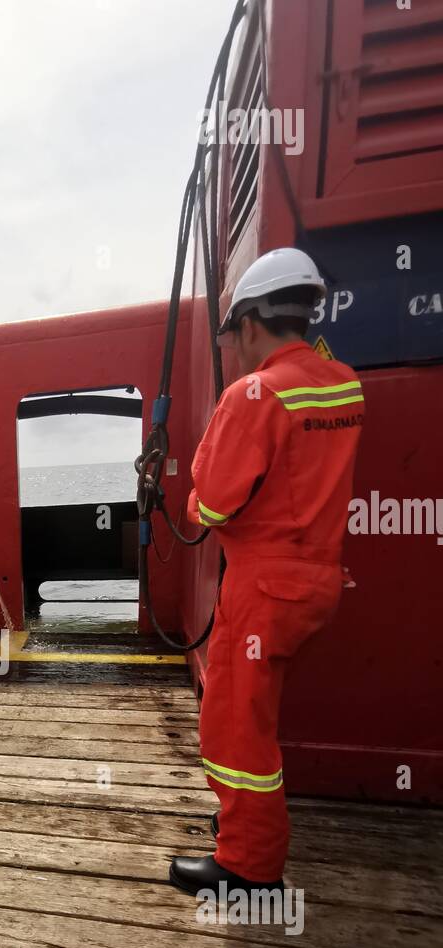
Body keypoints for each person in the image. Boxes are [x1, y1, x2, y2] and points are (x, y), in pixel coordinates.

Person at [169, 248, 365, 895]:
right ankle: (241, 821)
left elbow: (213, 503)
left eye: (234, 335)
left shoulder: (253, 395)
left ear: (250, 323)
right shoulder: (343, 384)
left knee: (232, 725)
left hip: (261, 585)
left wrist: (196, 495)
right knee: (256, 714)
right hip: (315, 581)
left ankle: (247, 866)